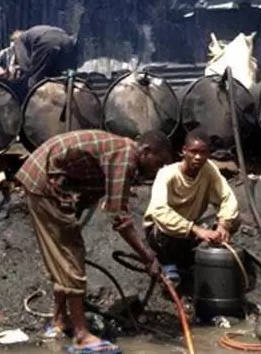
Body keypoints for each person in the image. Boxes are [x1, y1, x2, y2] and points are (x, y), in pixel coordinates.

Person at [15, 129, 173, 354]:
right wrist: (148, 258)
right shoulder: (126, 158)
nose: (160, 168)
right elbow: (119, 218)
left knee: (65, 255)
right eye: (160, 161)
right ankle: (81, 336)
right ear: (147, 151)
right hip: (44, 182)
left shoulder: (122, 151)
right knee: (71, 257)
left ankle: (60, 320)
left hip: (44, 178)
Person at [143, 129, 240, 286]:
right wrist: (196, 230)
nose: (198, 157)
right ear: (184, 151)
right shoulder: (167, 174)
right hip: (163, 233)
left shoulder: (208, 169)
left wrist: (223, 225)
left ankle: (199, 260)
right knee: (163, 231)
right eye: (193, 152)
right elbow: (159, 212)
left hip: (189, 230)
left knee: (234, 220)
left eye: (203, 153)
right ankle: (168, 264)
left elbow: (227, 197)